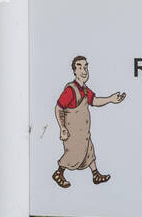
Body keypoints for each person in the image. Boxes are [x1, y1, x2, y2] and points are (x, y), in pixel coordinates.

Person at [52, 55, 125, 188]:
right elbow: (58, 108)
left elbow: (94, 101)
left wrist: (111, 99)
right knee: (74, 154)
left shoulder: (84, 89)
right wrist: (62, 127)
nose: (84, 70)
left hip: (83, 132)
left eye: (85, 67)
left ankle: (95, 174)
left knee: (89, 152)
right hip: (72, 132)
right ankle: (58, 172)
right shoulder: (70, 90)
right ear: (74, 70)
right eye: (79, 67)